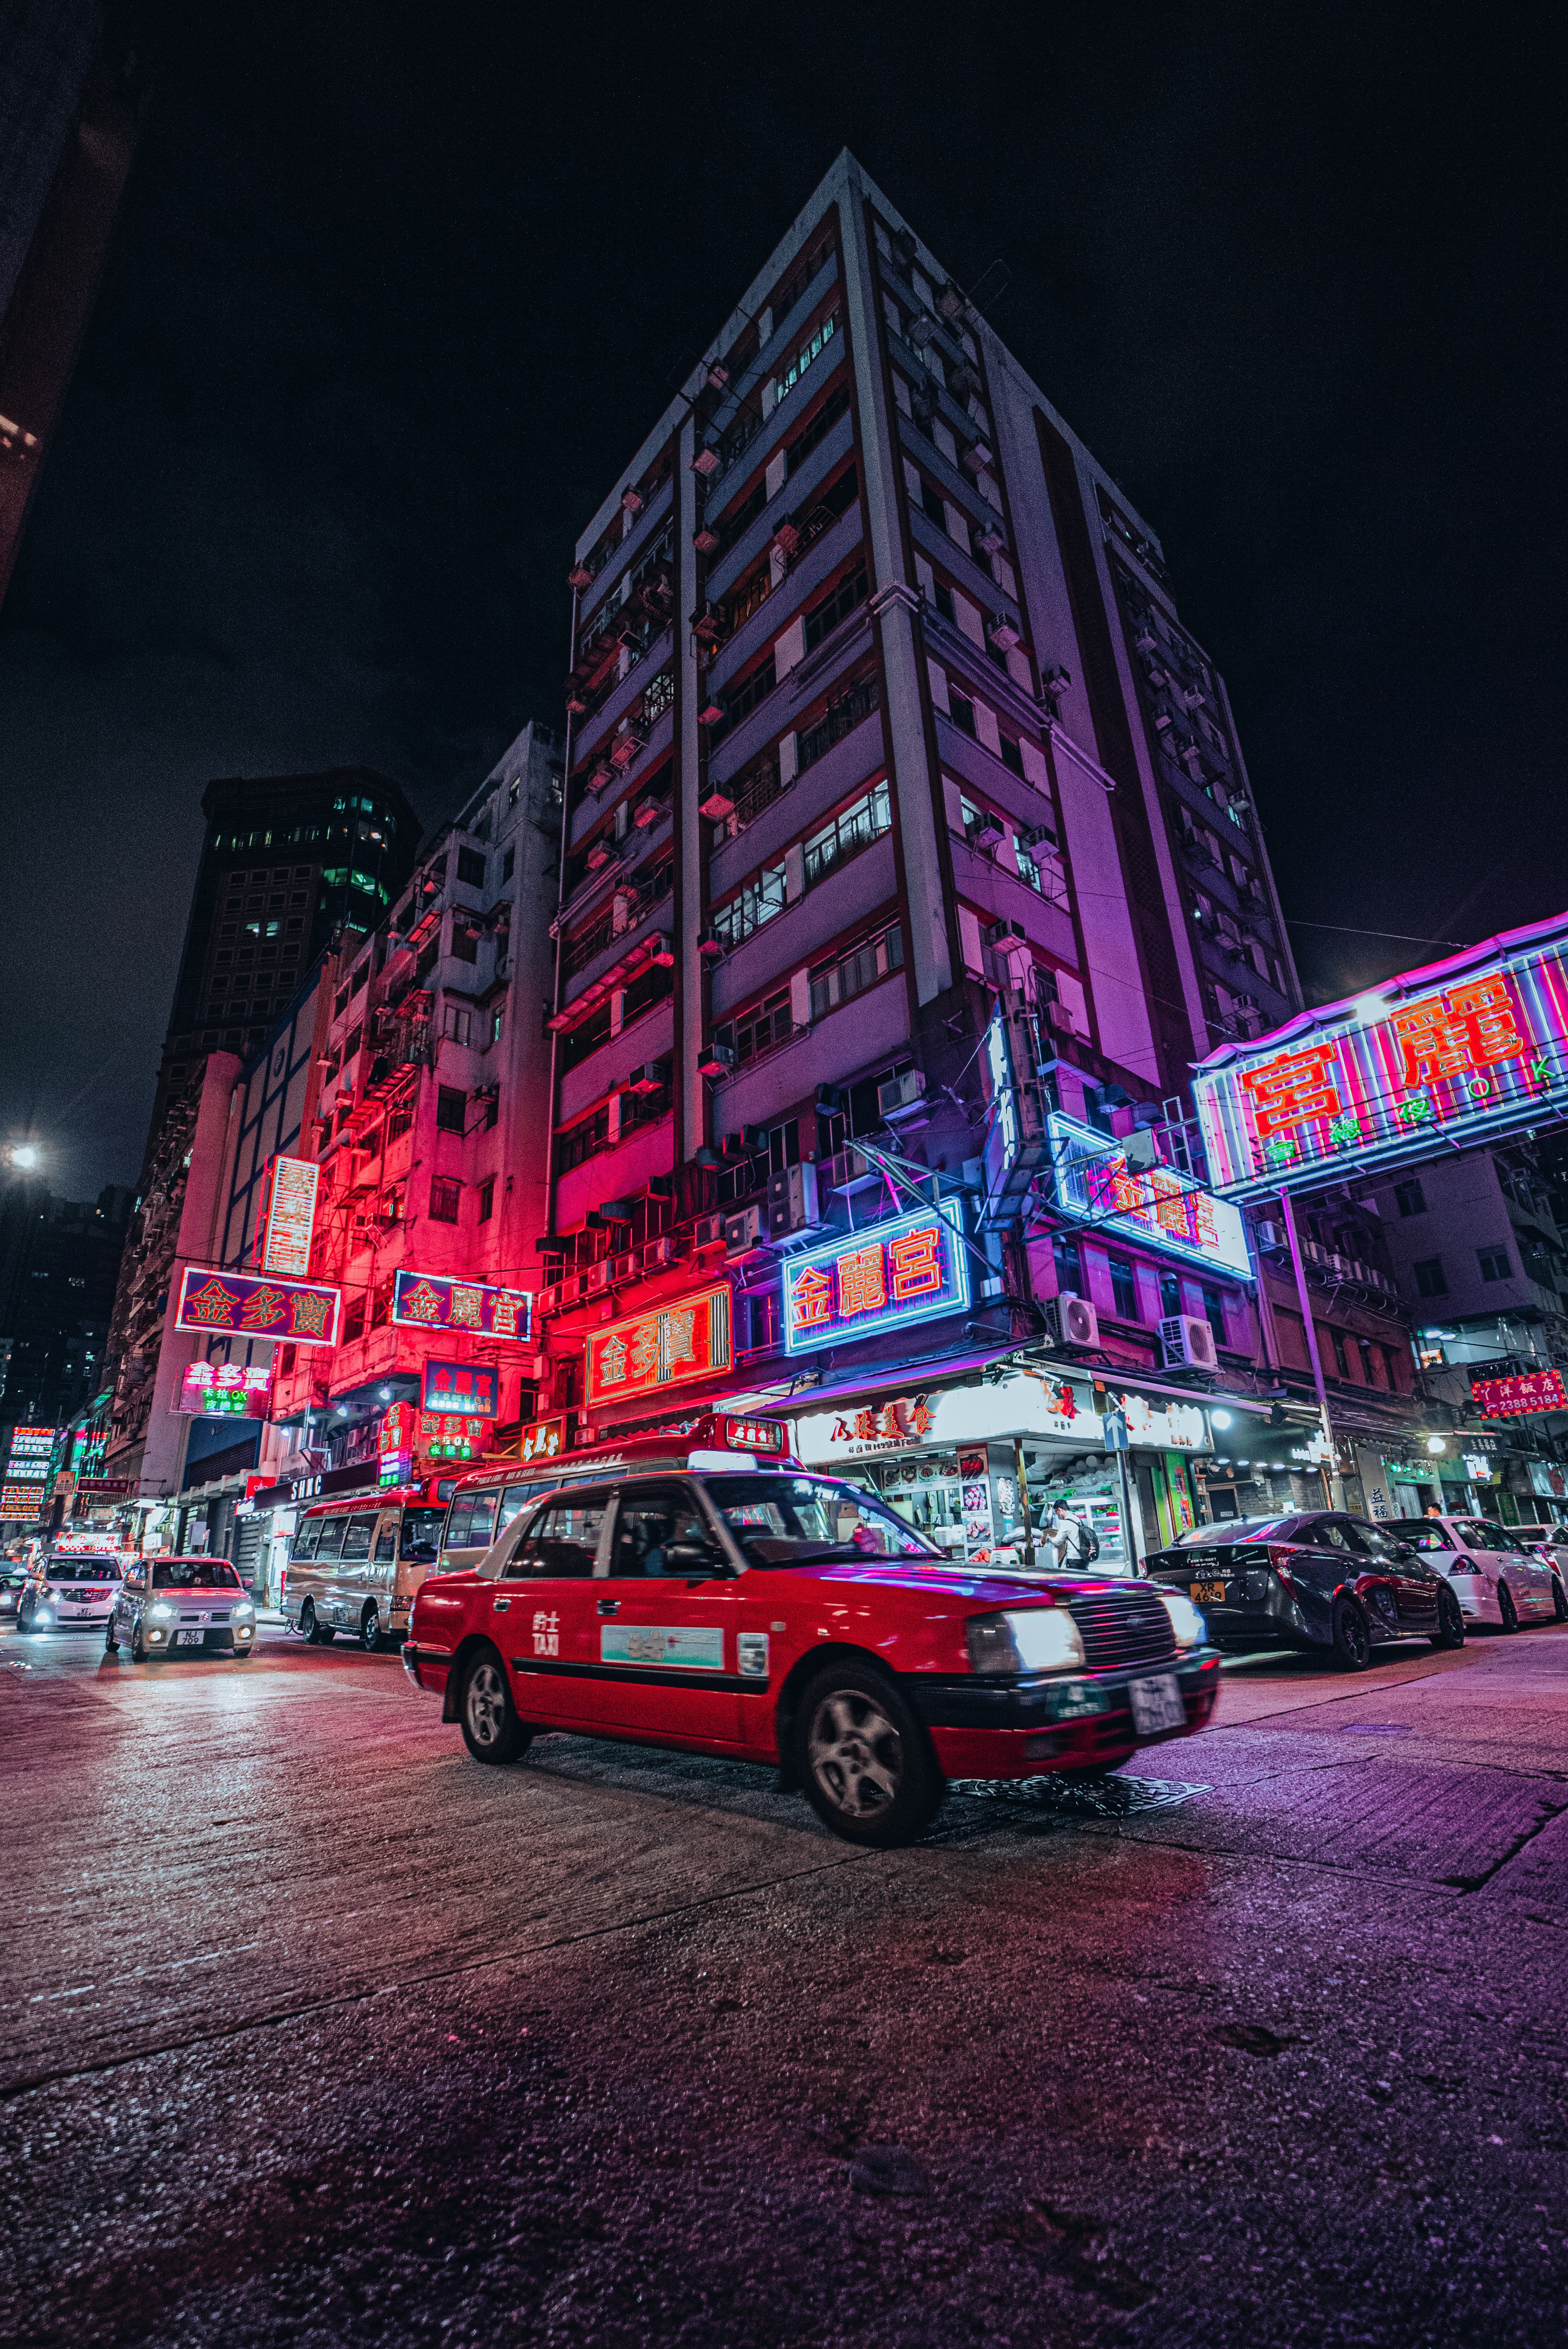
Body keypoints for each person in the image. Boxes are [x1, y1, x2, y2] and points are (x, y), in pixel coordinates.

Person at [1047, 1500, 1098, 1570]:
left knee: (1075, 1578)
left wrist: (1050, 1539)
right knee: (1084, 1577)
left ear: (1059, 1510)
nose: (1058, 1514)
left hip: (1074, 1558)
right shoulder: (1077, 1519)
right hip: (1084, 1556)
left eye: (1056, 1512)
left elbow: (1058, 1541)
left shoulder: (1066, 1523)